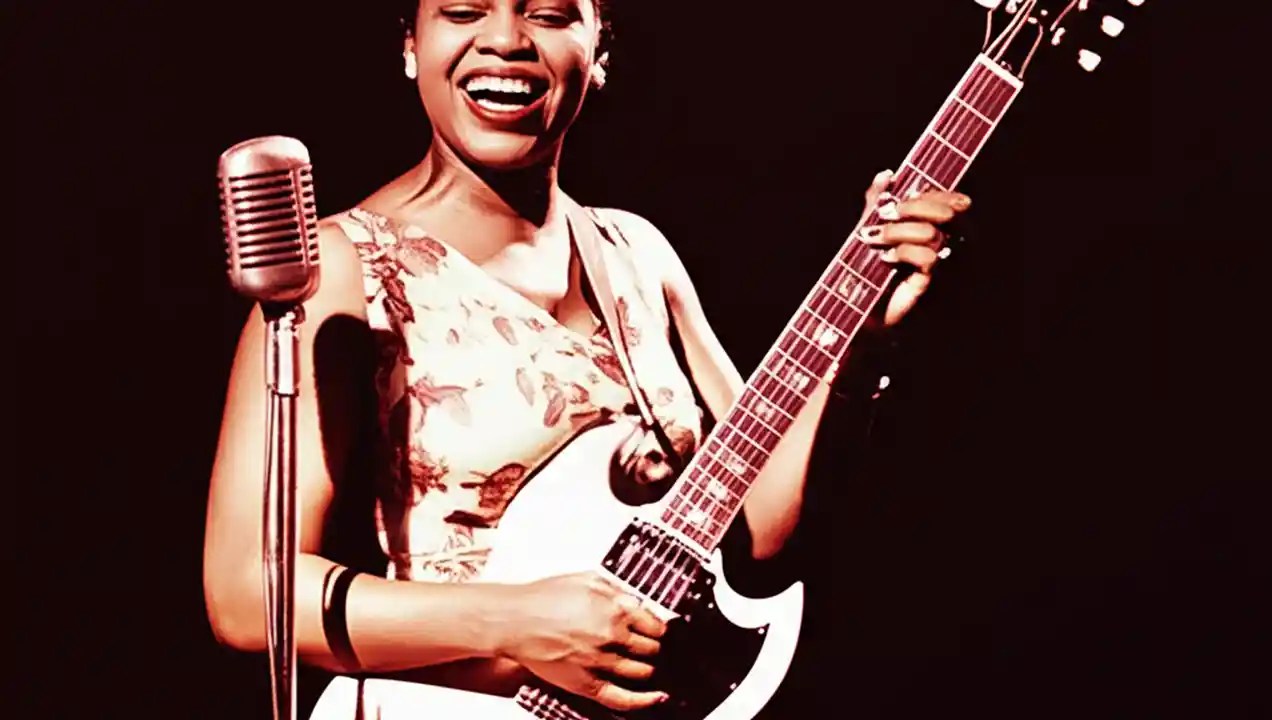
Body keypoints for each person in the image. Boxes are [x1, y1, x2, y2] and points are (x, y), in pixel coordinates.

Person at [202, 0, 971, 716]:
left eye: (548, 13)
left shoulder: (635, 251)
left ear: (599, 50)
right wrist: (516, 623)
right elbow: (245, 592)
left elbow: (753, 530)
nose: (505, 40)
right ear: (411, 46)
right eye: (464, 10)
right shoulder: (343, 269)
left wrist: (861, 341)